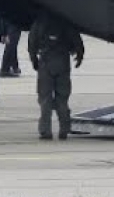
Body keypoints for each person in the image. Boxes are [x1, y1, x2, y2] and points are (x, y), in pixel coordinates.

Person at [28, 9, 84, 140]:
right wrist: (80, 55)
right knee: (62, 98)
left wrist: (34, 60)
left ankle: (45, 131)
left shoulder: (40, 21)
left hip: (46, 62)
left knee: (45, 99)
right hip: (62, 61)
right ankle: (64, 129)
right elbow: (77, 40)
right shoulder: (65, 20)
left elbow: (32, 42)